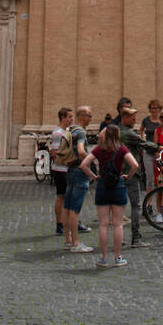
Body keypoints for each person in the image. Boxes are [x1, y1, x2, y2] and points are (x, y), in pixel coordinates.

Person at [81, 126, 139, 268]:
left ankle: (103, 257)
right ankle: (118, 257)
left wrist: (95, 177)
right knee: (118, 224)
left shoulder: (99, 149)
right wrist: (128, 176)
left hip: (103, 186)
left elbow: (84, 165)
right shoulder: (121, 149)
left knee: (103, 225)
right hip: (118, 185)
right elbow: (135, 165)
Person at [118, 106, 159, 248]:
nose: (135, 121)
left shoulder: (116, 130)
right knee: (135, 205)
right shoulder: (129, 133)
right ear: (125, 118)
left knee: (118, 207)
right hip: (130, 172)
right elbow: (145, 144)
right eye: (133, 118)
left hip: (118, 172)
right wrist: (160, 147)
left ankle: (119, 238)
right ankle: (136, 238)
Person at [59, 105, 94, 253]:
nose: (91, 119)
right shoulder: (80, 132)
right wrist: (90, 161)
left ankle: (68, 240)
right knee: (74, 210)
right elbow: (80, 151)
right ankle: (76, 243)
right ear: (83, 116)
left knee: (67, 207)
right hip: (80, 171)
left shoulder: (71, 129)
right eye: (89, 116)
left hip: (70, 170)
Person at [49, 106, 73, 236]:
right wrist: (69, 161)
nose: (71, 119)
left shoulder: (67, 131)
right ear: (63, 118)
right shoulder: (58, 133)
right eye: (69, 117)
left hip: (67, 169)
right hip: (61, 170)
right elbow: (55, 154)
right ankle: (60, 224)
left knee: (68, 197)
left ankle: (70, 221)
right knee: (61, 196)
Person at [141, 100, 163, 190]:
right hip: (148, 151)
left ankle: (160, 199)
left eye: (156, 108)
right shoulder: (146, 120)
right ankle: (149, 201)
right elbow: (141, 130)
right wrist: (143, 140)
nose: (154, 110)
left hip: (159, 152)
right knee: (149, 177)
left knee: (160, 177)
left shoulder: (162, 121)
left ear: (159, 109)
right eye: (152, 108)